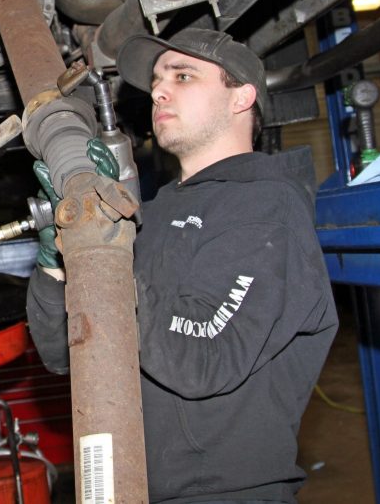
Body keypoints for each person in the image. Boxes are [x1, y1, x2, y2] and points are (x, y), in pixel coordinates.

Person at [26, 28, 338, 504]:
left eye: (184, 76)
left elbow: (203, 356)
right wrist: (59, 263)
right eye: (156, 80)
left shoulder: (267, 208)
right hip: (130, 484)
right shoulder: (154, 212)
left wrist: (107, 261)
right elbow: (64, 354)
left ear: (242, 97)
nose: (159, 90)